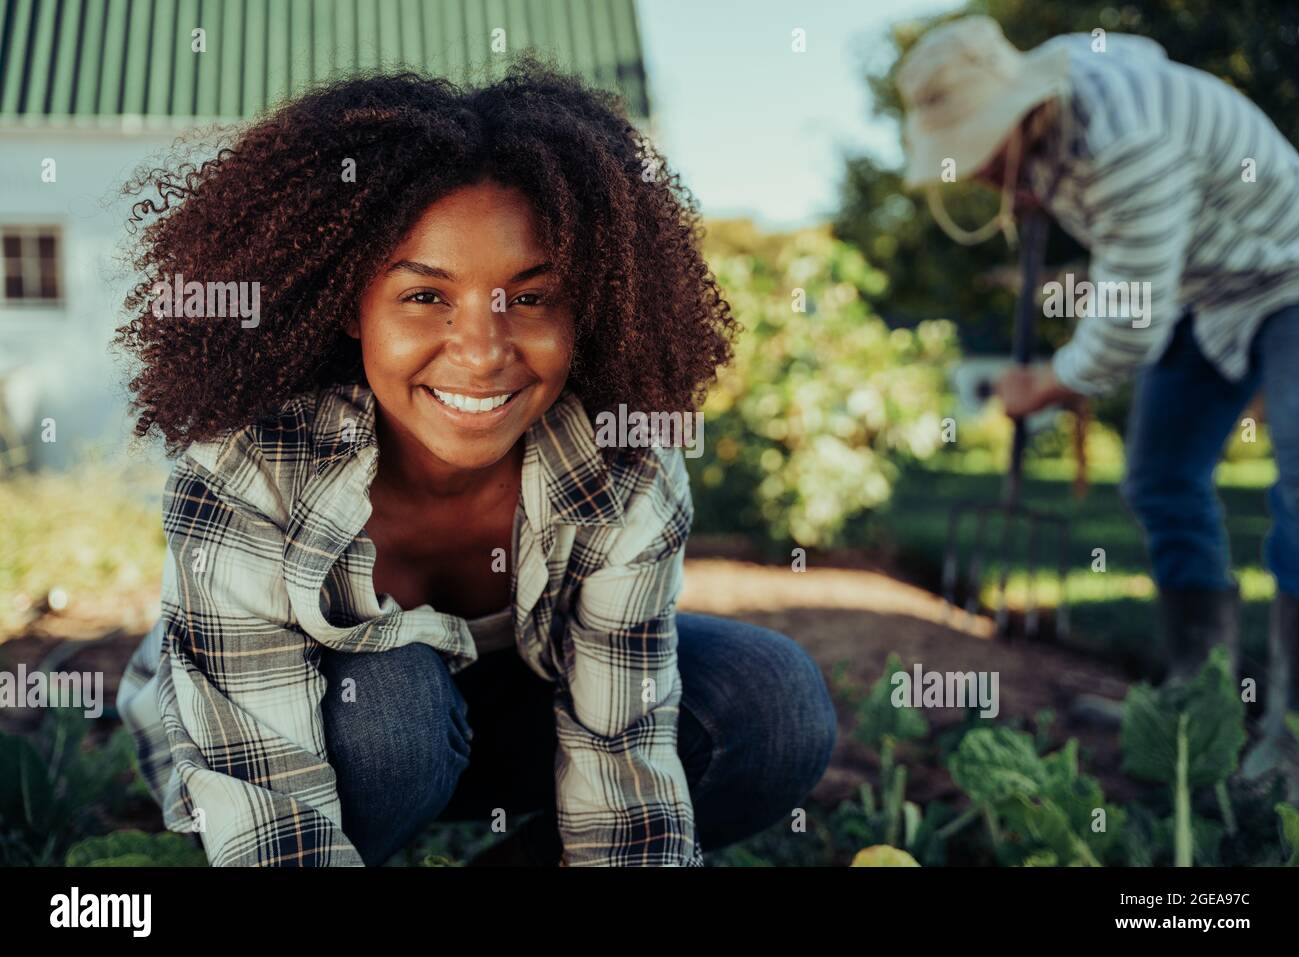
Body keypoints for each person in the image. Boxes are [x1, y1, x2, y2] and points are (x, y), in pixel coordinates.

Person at [112, 61, 838, 867]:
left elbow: (622, 758)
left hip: (505, 721)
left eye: (530, 298)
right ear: (347, 305)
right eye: (426, 297)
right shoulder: (249, 465)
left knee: (770, 699)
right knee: (393, 706)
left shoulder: (621, 467)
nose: (483, 353)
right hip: (280, 743)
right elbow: (269, 803)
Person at [895, 17, 1299, 786]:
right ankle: (1196, 700)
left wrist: (1048, 382)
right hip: (1198, 286)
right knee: (1160, 478)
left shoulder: (1126, 144)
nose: (975, 175)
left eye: (978, 153)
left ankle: (1292, 741)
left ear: (1016, 111)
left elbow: (1129, 326)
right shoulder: (1053, 97)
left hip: (1286, 271)